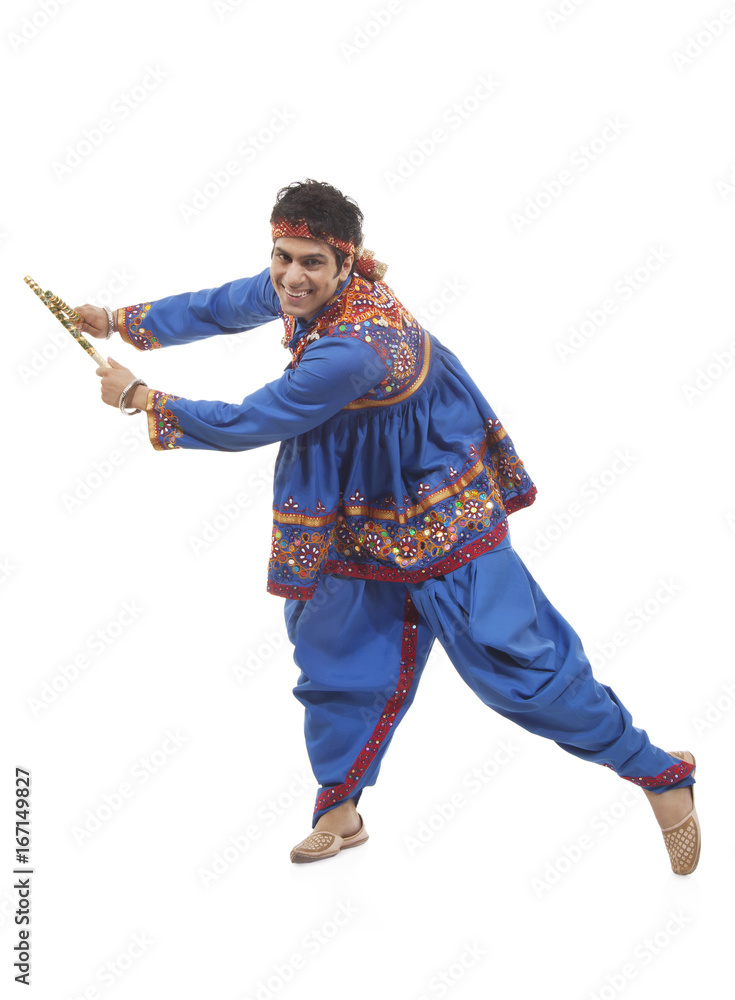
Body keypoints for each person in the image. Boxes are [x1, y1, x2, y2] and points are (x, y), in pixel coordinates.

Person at [73, 179, 700, 874]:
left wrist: (139, 397)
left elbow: (255, 420)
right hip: (355, 509)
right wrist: (118, 319)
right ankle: (338, 809)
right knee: (335, 658)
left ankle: (658, 775)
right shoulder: (303, 286)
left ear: (348, 263)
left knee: (518, 663)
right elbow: (226, 304)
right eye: (282, 256)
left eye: (310, 262)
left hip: (435, 516)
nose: (290, 275)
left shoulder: (355, 348)